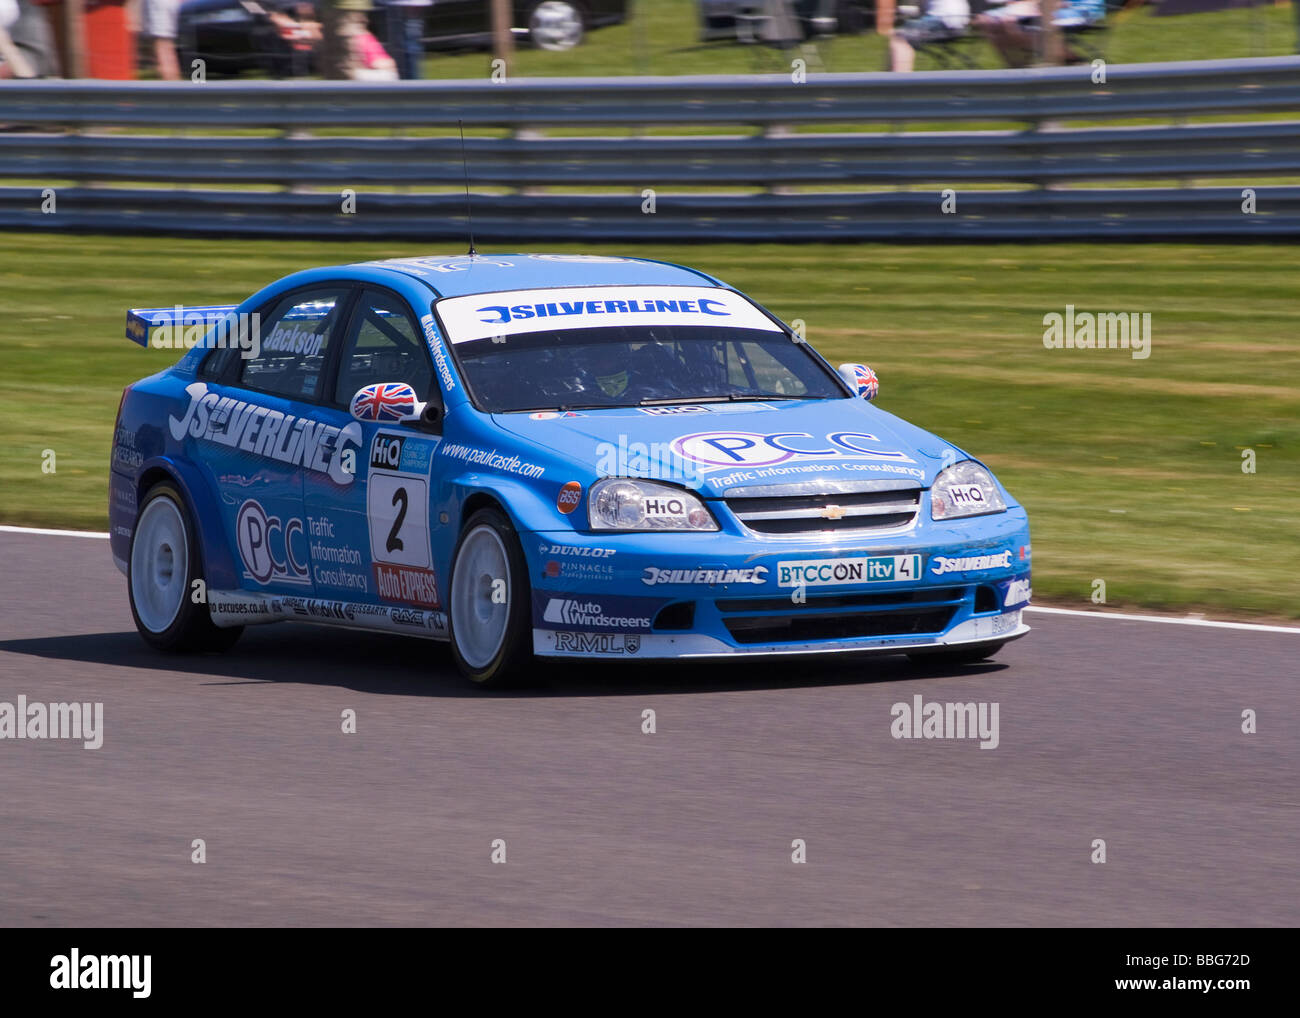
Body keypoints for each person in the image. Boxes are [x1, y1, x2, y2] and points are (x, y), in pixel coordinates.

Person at [890, 0, 971, 72]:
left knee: (899, 36)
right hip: (961, 24)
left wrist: (896, 11)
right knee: (905, 31)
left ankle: (898, 80)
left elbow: (918, 9)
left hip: (941, 21)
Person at [141, 0, 181, 79]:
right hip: (168, 5)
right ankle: (175, 86)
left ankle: (171, 87)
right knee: (166, 47)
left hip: (159, 5)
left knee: (162, 47)